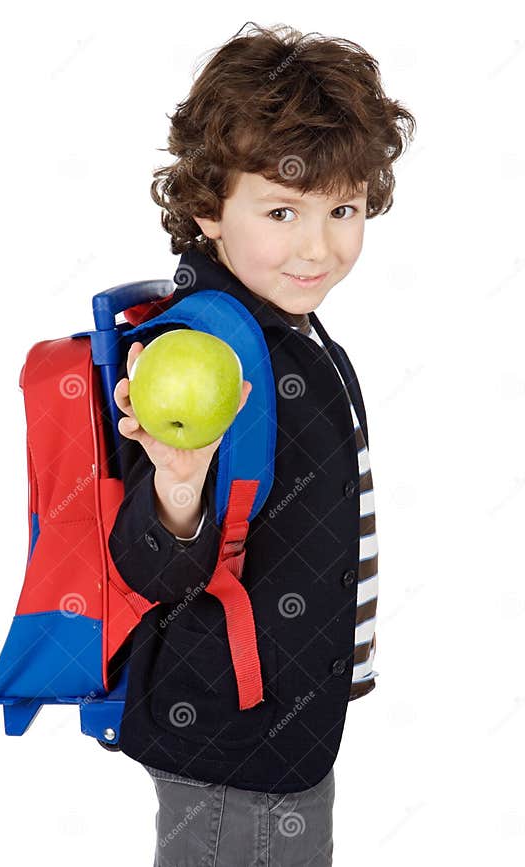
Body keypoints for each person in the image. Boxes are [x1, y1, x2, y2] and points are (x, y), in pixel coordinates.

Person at [108, 21, 416, 866]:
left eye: (342, 210)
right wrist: (177, 484)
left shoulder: (289, 331)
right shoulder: (198, 347)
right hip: (232, 742)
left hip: (282, 725)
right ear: (207, 207)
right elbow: (150, 568)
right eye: (282, 211)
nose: (318, 246)